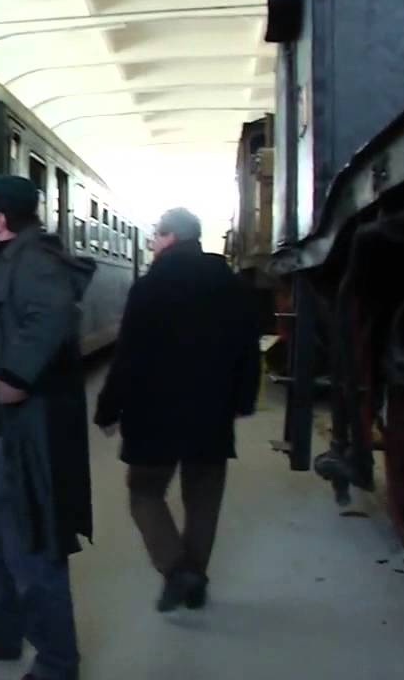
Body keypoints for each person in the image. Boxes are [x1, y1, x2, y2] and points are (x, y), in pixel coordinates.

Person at [0, 176, 96, 680]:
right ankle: (2, 630)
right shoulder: (7, 260)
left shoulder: (34, 261)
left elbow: (52, 314)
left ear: (0, 219)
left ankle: (57, 663)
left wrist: (15, 375)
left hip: (25, 435)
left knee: (31, 546)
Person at [93, 207, 260, 612]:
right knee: (203, 500)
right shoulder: (232, 284)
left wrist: (108, 409)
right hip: (211, 413)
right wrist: (244, 399)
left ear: (170, 237)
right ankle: (195, 578)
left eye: (156, 236)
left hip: (154, 416)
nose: (152, 243)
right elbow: (248, 348)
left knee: (145, 492)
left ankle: (176, 569)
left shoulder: (149, 287)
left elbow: (128, 356)